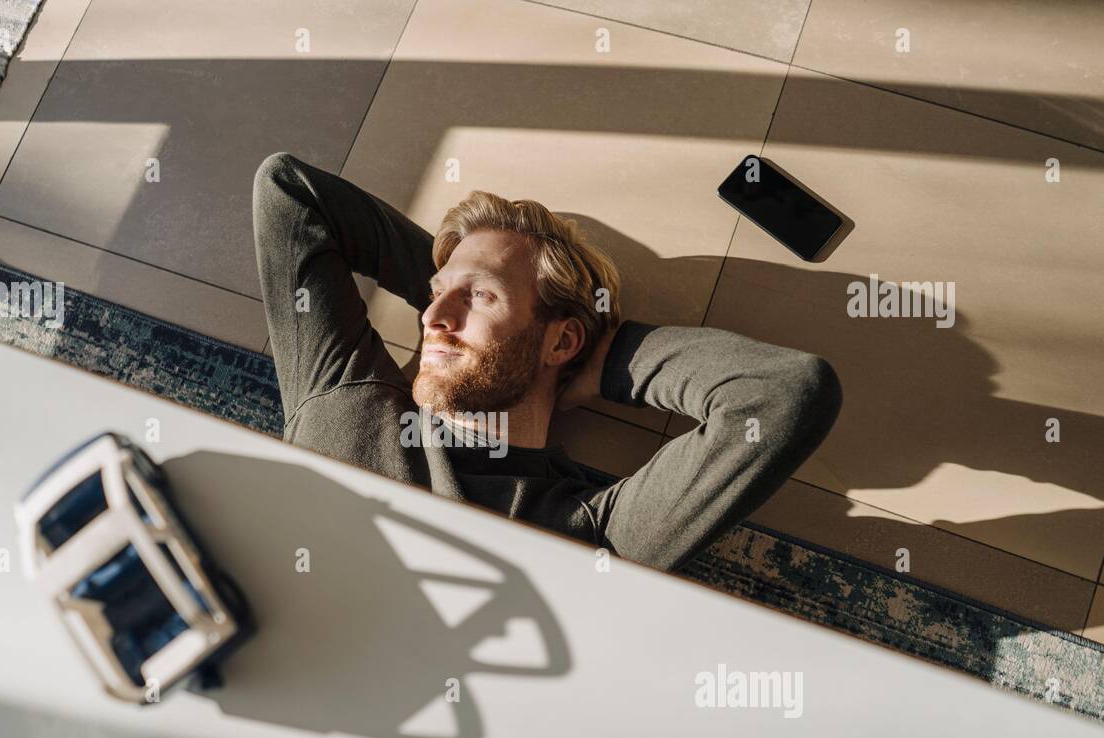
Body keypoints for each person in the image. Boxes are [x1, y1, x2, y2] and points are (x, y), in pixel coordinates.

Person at [251, 152, 841, 572]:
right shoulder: (343, 395)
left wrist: (603, 357)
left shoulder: (588, 530)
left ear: (563, 343)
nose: (430, 319)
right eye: (433, 293)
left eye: (480, 296)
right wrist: (461, 293)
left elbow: (785, 391)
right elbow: (288, 190)